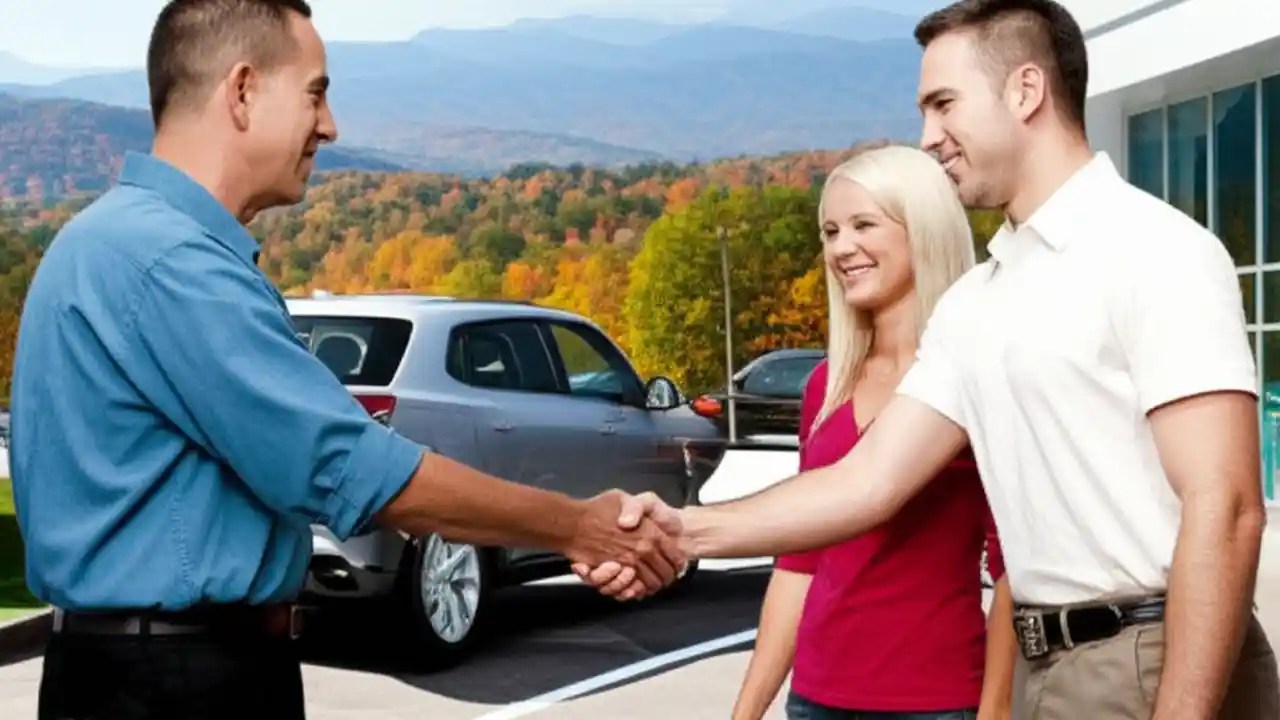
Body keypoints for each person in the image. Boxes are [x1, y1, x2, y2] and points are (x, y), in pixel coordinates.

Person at [580, 1, 1280, 718]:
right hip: (1047, 665)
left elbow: (1225, 509)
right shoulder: (979, 303)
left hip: (1150, 652)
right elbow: (865, 484)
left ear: (1026, 90)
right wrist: (681, 529)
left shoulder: (1154, 250)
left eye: (944, 105)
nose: (929, 137)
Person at [8, 2, 680, 718]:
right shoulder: (172, 262)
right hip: (177, 682)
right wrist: (579, 527)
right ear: (241, 91)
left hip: (133, 669)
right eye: (316, 92)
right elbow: (350, 471)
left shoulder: (103, 242)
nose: (330, 126)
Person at [729, 145, 1017, 720]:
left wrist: (995, 712)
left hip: (936, 703)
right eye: (831, 231)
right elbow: (798, 562)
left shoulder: (976, 375)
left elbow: (1011, 566)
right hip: (814, 702)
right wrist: (746, 711)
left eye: (864, 225)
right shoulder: (825, 386)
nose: (841, 248)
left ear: (924, 231)